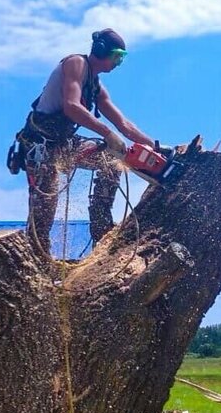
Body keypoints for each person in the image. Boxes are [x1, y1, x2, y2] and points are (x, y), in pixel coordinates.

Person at [22, 29, 156, 253]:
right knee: (45, 211)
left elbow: (123, 124)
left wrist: (154, 146)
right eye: (117, 56)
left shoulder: (96, 86)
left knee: (111, 162)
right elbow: (72, 107)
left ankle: (101, 228)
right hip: (42, 144)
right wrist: (107, 133)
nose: (118, 62)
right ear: (102, 50)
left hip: (65, 143)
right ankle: (37, 259)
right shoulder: (76, 64)